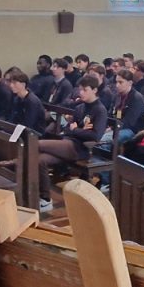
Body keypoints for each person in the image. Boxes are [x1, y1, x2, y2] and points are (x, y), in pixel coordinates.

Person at [37, 75, 107, 213]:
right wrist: (77, 130)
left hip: (81, 149)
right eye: (80, 89)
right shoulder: (80, 107)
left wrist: (76, 129)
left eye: (85, 90)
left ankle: (15, 165)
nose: (81, 93)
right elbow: (67, 128)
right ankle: (45, 199)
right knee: (40, 160)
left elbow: (95, 136)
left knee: (37, 144)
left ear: (94, 90)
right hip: (68, 143)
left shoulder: (100, 110)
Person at [106, 69, 144, 150]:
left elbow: (130, 122)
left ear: (130, 83)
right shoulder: (117, 96)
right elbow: (110, 114)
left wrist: (112, 129)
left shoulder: (137, 98)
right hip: (116, 126)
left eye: (120, 82)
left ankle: (106, 161)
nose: (117, 85)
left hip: (132, 130)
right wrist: (107, 126)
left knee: (106, 140)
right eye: (116, 82)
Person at [1, 67, 48, 134]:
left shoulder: (32, 101)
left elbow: (29, 124)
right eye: (11, 83)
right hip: (20, 129)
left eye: (14, 83)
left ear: (23, 84)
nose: (11, 85)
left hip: (34, 133)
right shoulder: (17, 98)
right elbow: (14, 118)